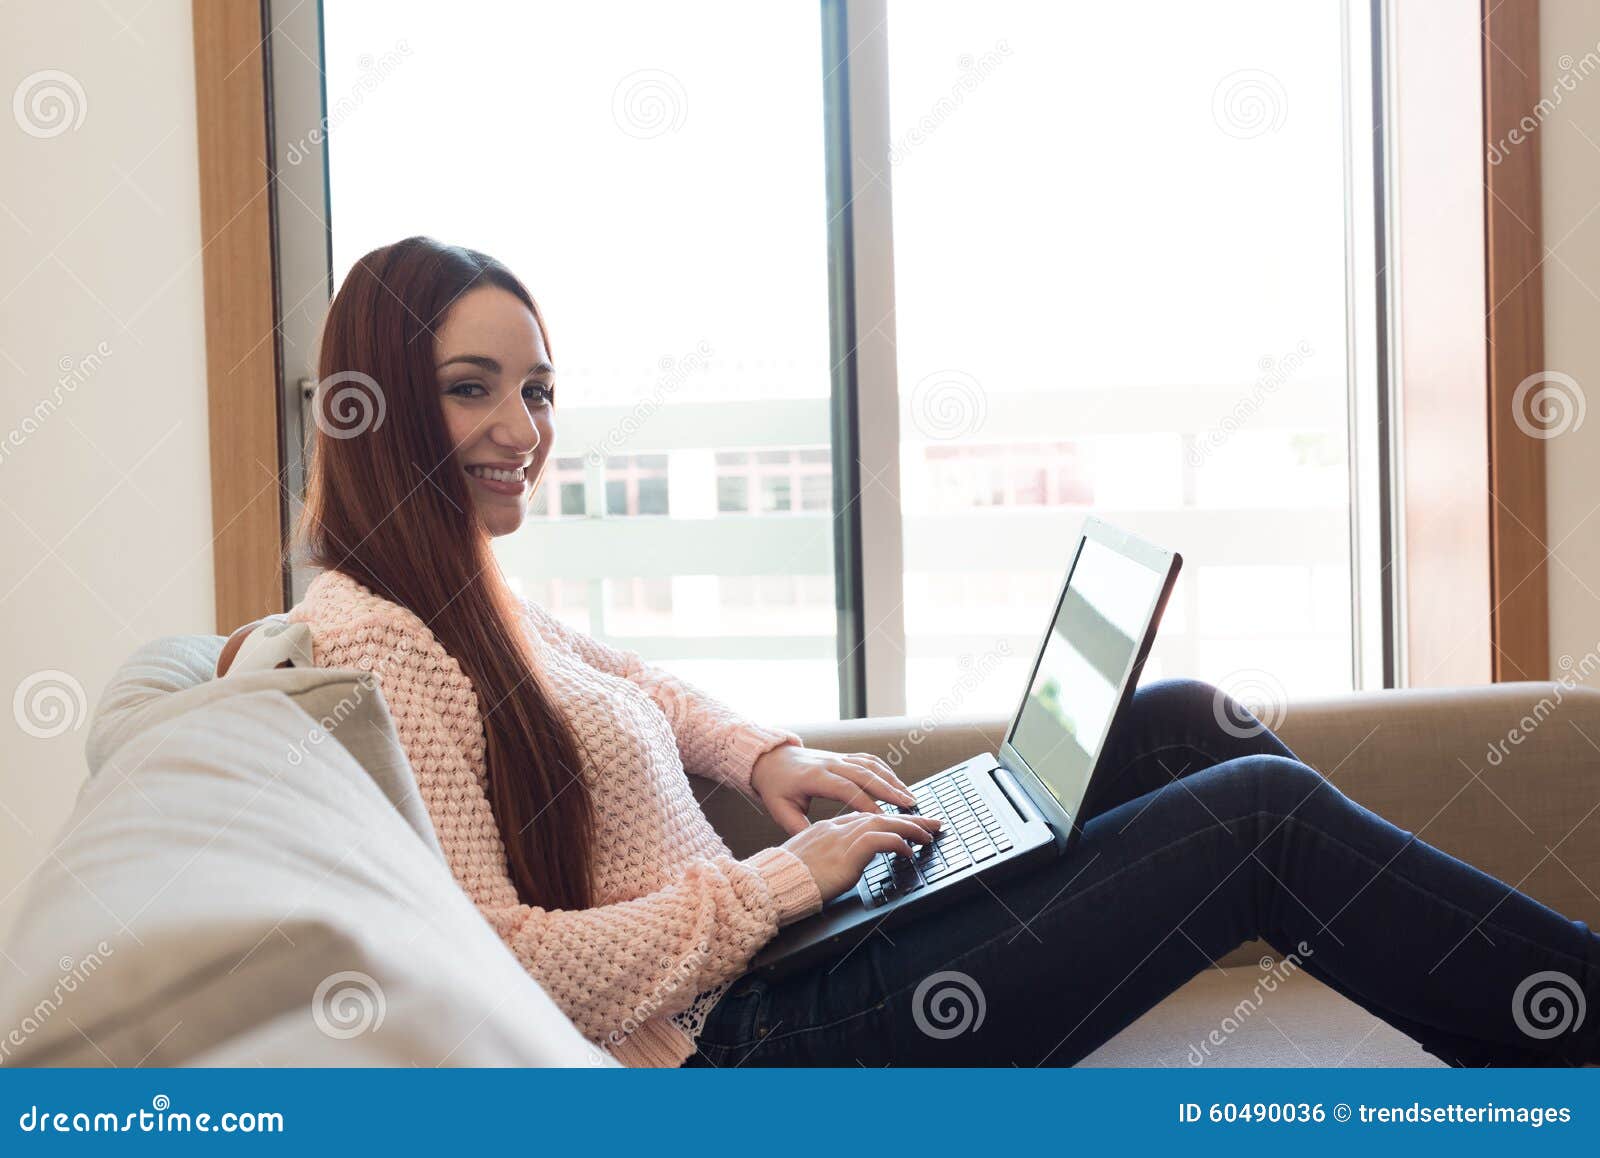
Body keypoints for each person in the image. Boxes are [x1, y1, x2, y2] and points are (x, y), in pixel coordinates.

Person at [253, 235, 1598, 1067]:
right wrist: (780, 882)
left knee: (1189, 720)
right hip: (750, 1051)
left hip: (781, 966)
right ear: (373, 404)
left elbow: (637, 684)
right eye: (471, 387)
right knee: (1257, 820)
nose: (520, 427)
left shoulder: (463, 589)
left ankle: (1535, 1003)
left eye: (537, 389)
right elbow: (503, 957)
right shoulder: (380, 644)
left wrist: (768, 754)